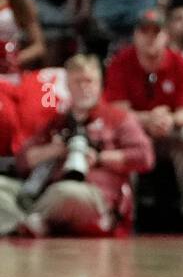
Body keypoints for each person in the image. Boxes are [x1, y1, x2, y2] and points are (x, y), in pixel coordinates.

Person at [14, 53, 153, 236]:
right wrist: (55, 150)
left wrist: (100, 158)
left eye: (89, 81)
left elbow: (145, 156)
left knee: (67, 193)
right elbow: (23, 160)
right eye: (77, 82)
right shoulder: (58, 122)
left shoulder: (117, 118)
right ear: (68, 86)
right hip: (49, 192)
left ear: (100, 84)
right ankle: (35, 221)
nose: (84, 88)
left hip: (96, 199)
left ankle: (25, 221)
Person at [103, 8, 183, 226]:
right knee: (119, 139)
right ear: (135, 35)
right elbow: (116, 111)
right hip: (136, 133)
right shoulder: (120, 63)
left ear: (166, 36)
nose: (150, 37)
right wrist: (148, 119)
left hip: (169, 132)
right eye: (144, 32)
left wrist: (169, 120)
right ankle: (125, 210)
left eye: (156, 32)